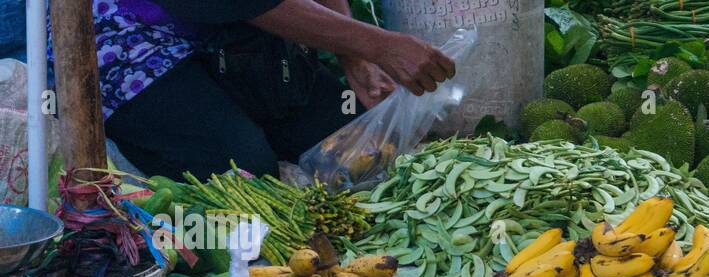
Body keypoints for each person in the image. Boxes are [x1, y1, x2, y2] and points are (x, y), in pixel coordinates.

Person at [92, 0, 456, 178]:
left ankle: (232, 114)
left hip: (234, 36)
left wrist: (355, 58)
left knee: (352, 148)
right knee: (243, 171)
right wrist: (375, 45)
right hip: (133, 38)